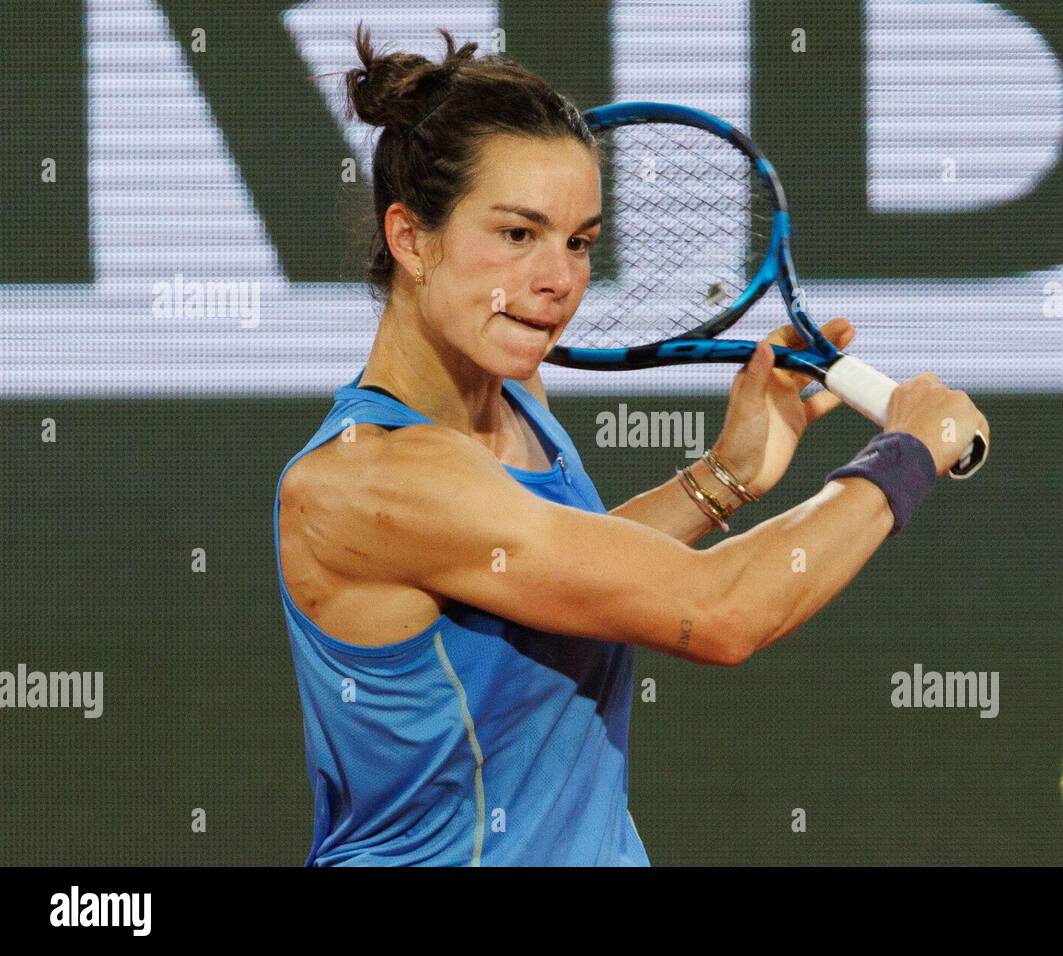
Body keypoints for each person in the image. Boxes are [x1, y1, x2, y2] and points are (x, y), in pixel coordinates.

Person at [274, 25, 989, 866]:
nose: (559, 279)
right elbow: (723, 614)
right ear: (410, 239)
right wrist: (903, 453)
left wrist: (723, 478)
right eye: (517, 234)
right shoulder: (372, 481)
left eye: (579, 241)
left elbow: (550, 588)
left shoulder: (515, 397)